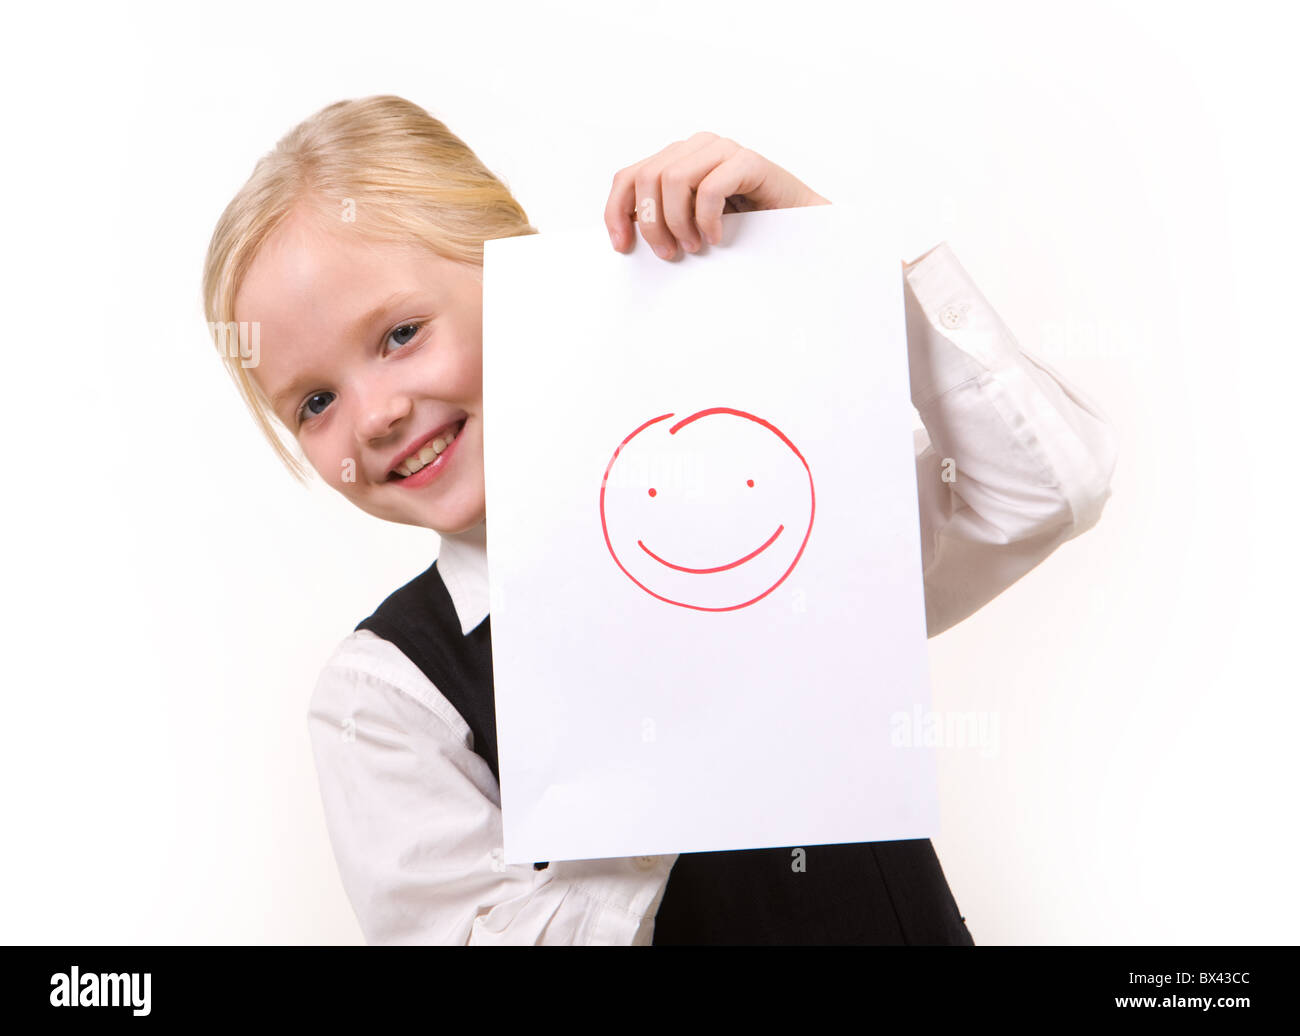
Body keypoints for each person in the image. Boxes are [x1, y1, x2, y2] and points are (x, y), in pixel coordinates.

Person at [202, 94, 1119, 945]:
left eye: (400, 335)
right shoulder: (385, 696)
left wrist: (829, 263)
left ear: (517, 273)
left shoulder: (756, 502)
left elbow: (1047, 490)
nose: (375, 414)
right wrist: (648, 766)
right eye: (314, 401)